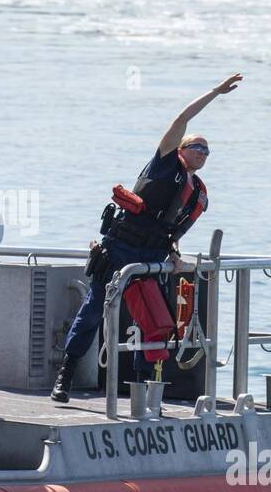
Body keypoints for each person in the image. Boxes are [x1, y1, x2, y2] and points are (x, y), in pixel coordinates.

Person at [50, 73, 243, 403]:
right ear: (181, 148)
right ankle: (65, 377)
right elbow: (181, 119)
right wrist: (215, 92)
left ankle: (144, 389)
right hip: (120, 249)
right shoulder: (165, 163)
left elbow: (173, 229)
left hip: (153, 256)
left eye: (207, 151)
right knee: (94, 309)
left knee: (152, 319)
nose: (203, 153)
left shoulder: (197, 192)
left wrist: (174, 254)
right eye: (197, 147)